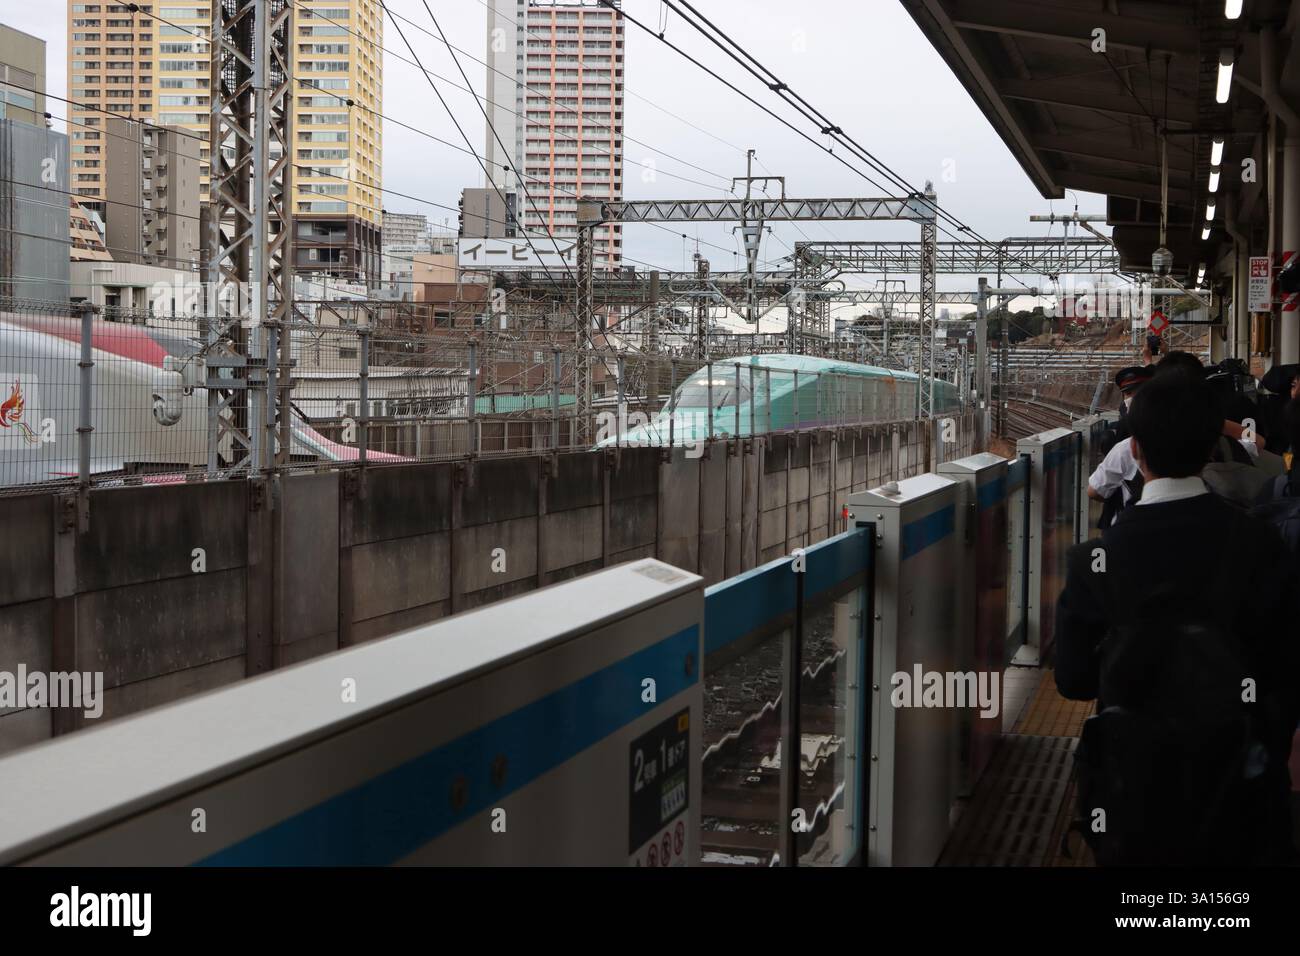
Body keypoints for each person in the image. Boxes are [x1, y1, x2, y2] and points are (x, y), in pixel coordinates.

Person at [1056, 373, 1300, 865]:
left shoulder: (1093, 562)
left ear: (1135, 450)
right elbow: (1284, 669)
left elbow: (1074, 679)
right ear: (1211, 447)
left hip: (1136, 791)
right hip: (1238, 787)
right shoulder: (1262, 543)